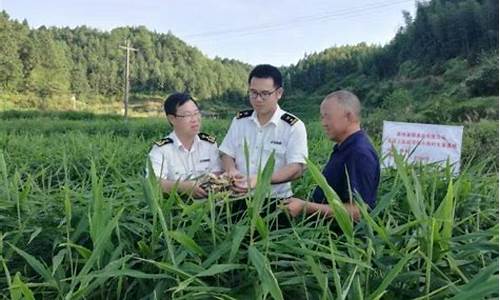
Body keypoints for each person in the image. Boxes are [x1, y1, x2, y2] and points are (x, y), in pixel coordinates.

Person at [285, 90, 380, 221]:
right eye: (322, 117)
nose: (323, 123)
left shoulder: (359, 153)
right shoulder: (344, 147)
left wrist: (306, 207)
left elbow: (358, 211)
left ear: (349, 116)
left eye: (327, 116)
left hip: (340, 238)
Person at [219, 64, 308, 200]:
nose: (258, 99)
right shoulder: (240, 121)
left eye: (265, 94)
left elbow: (296, 168)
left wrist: (261, 179)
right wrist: (231, 170)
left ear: (279, 93)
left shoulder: (293, 127)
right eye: (253, 92)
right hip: (237, 197)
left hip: (274, 201)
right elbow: (226, 152)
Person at [148, 92, 221, 198]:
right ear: (172, 119)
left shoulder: (209, 144)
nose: (195, 119)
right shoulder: (161, 150)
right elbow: (153, 183)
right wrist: (182, 187)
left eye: (196, 113)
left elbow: (218, 173)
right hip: (175, 209)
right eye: (187, 115)